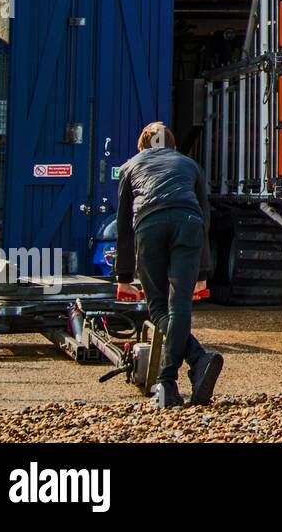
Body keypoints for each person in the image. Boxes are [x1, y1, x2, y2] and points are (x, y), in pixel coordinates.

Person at [114, 122, 224, 408]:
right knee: (180, 306)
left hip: (149, 226)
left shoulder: (130, 167)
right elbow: (205, 217)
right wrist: (202, 271)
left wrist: (123, 276)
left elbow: (124, 226)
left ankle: (172, 379)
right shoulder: (190, 165)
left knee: (159, 308)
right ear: (173, 146)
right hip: (189, 224)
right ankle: (193, 364)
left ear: (141, 146)